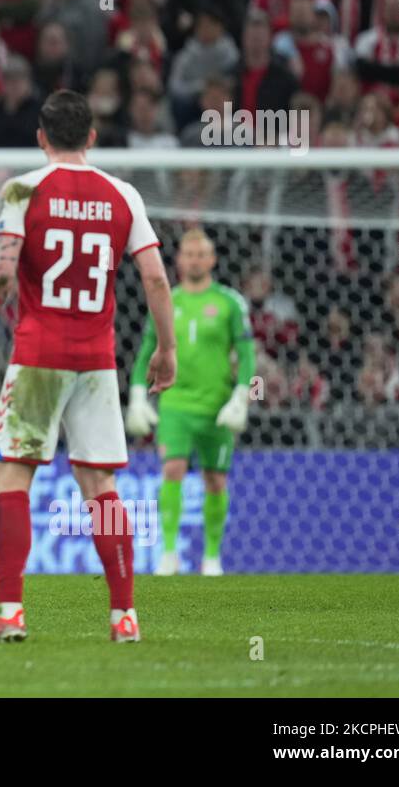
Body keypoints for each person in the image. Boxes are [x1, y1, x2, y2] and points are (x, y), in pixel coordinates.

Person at [0, 90, 177, 644]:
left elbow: (5, 271)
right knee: (100, 486)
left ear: (41, 137)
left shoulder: (23, 189)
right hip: (97, 360)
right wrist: (166, 347)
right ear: (92, 138)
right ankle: (124, 615)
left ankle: (10, 611)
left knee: (13, 476)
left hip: (37, 355)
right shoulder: (122, 194)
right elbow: (154, 277)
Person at [126, 229, 255, 576]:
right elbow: (145, 351)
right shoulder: (167, 301)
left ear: (212, 260)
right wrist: (137, 395)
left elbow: (246, 354)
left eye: (202, 254)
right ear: (179, 259)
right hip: (176, 404)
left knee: (215, 481)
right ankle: (169, 554)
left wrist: (242, 396)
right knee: (172, 470)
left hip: (217, 407)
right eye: (189, 253)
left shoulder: (231, 302)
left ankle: (211, 557)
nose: (195, 260)